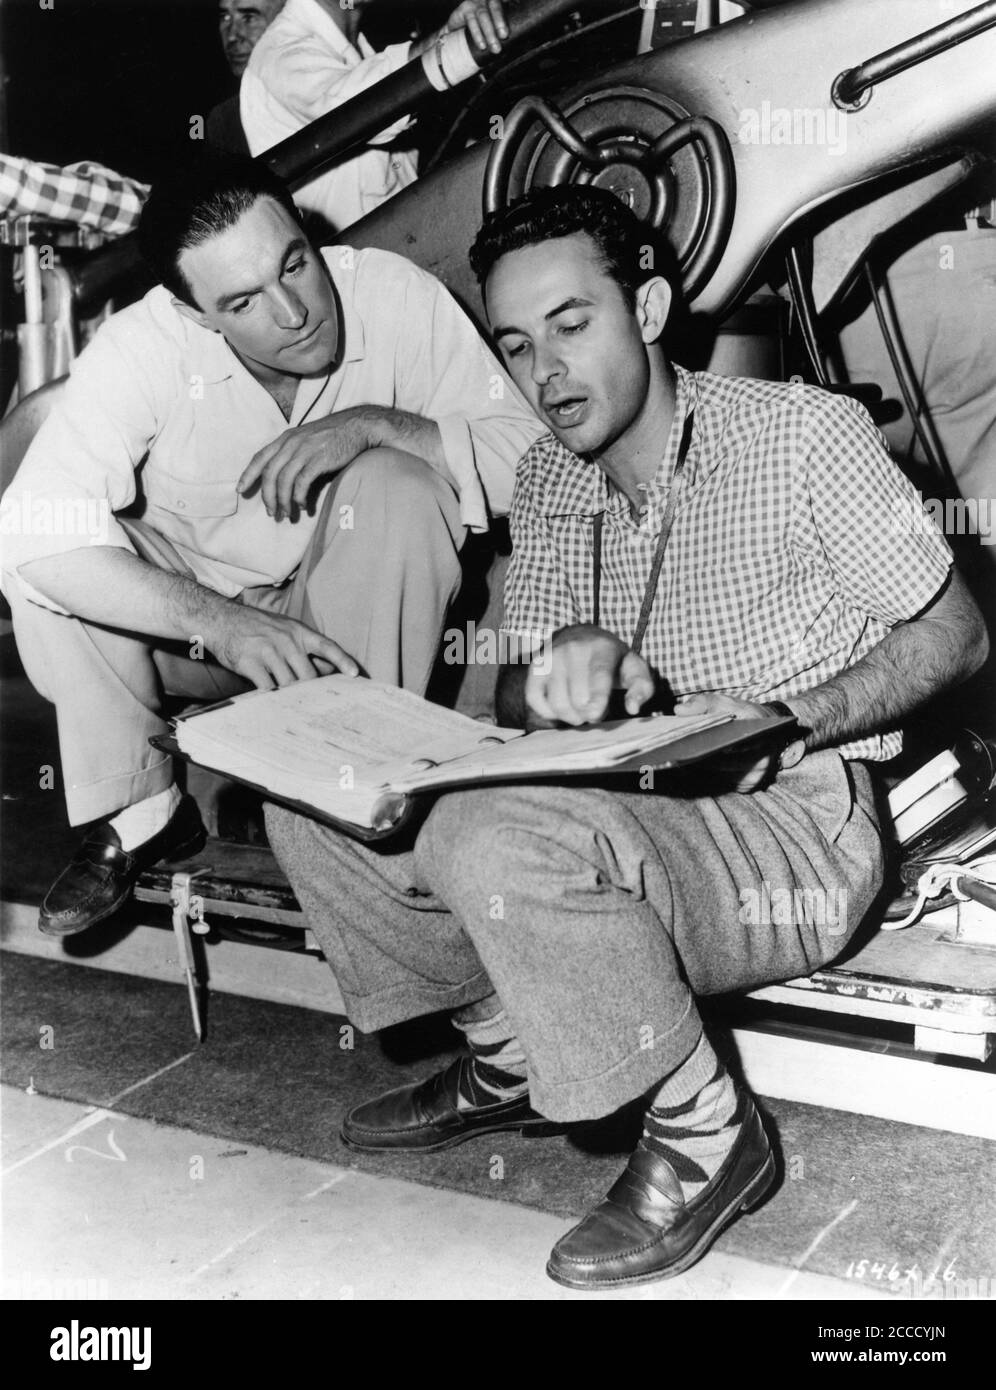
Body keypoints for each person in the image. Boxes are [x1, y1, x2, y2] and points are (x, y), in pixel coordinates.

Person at [262, 185, 988, 1290]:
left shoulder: (801, 436)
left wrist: (791, 717)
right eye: (516, 343)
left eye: (572, 324)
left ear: (647, 307)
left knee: (488, 840)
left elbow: (957, 633)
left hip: (789, 824)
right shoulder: (551, 476)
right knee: (320, 798)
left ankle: (706, 1129)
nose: (546, 373)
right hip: (618, 807)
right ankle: (509, 1046)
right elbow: (520, 701)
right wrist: (554, 686)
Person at [0, 156, 541, 939]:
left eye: (295, 264)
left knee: (397, 478)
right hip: (196, 637)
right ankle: (147, 807)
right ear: (195, 316)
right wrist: (222, 622)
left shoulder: (392, 295)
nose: (294, 314)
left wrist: (379, 425)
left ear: (310, 234)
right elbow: (31, 523)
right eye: (245, 301)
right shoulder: (144, 346)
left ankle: (343, 792)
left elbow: (538, 464)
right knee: (51, 548)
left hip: (350, 635)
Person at [241, 0, 509, 233]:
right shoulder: (281, 50)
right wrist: (443, 41)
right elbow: (355, 108)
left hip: (405, 235)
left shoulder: (356, 45)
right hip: (355, 267)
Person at [208, 0, 288, 156]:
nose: (231, 36)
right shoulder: (224, 121)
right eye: (225, 17)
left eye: (249, 18)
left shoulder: (331, 97)